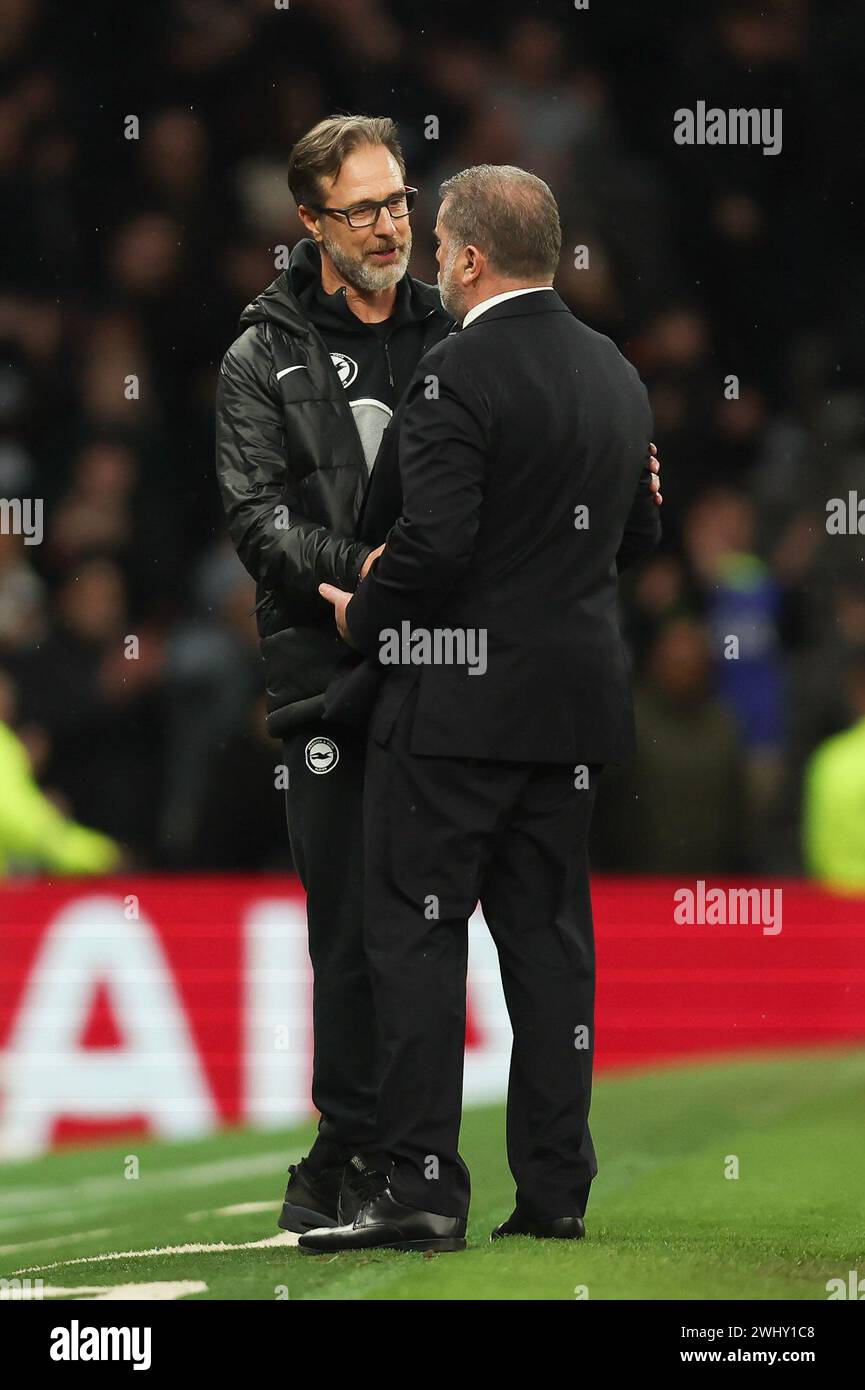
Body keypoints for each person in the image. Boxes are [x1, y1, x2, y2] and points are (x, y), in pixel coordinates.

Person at [216, 120, 662, 1234]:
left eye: (400, 203)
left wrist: (384, 591)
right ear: (308, 224)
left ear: (446, 235)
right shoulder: (260, 354)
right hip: (343, 676)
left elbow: (462, 528)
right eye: (361, 209)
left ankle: (401, 1177)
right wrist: (362, 578)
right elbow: (258, 520)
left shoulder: (455, 337)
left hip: (438, 681)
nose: (388, 226)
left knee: (403, 930)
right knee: (357, 937)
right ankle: (357, 1147)